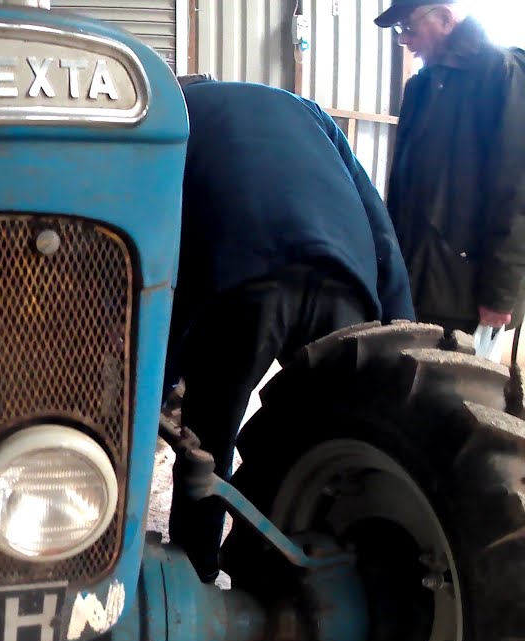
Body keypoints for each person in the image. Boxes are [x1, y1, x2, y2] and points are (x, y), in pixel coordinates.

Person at [165, 77, 416, 583]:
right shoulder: (305, 111)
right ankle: (319, 577)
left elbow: (158, 233)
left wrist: (161, 375)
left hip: (243, 284)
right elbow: (378, 222)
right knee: (334, 445)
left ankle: (194, 578)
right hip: (345, 278)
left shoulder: (174, 116)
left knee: (207, 445)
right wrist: (401, 328)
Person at [375, 1, 525, 334]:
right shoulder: (420, 87)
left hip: (467, 292)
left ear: (444, 18)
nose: (403, 39)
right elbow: (402, 188)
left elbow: (516, 192)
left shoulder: (502, 73)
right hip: (414, 281)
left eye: (409, 28)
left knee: (455, 369)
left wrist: (501, 292)